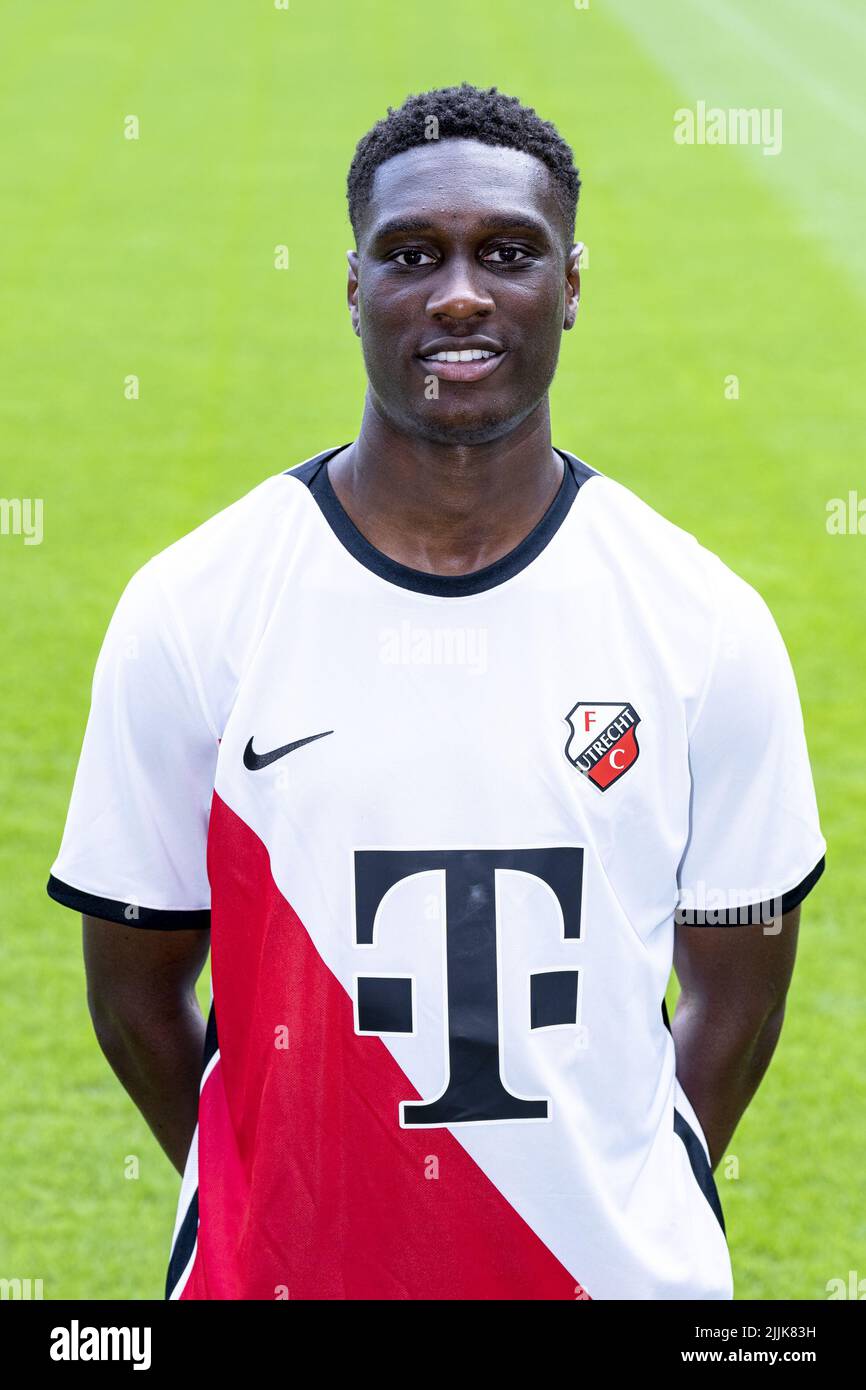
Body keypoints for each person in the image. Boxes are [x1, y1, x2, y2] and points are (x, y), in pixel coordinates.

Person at [47, 83, 826, 1301]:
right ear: (354, 287)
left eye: (504, 254)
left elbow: (736, 990)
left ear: (568, 284)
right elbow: (134, 987)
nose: (458, 293)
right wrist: (274, 1189)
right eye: (412, 255)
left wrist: (596, 1207)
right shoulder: (196, 605)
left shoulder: (700, 619)